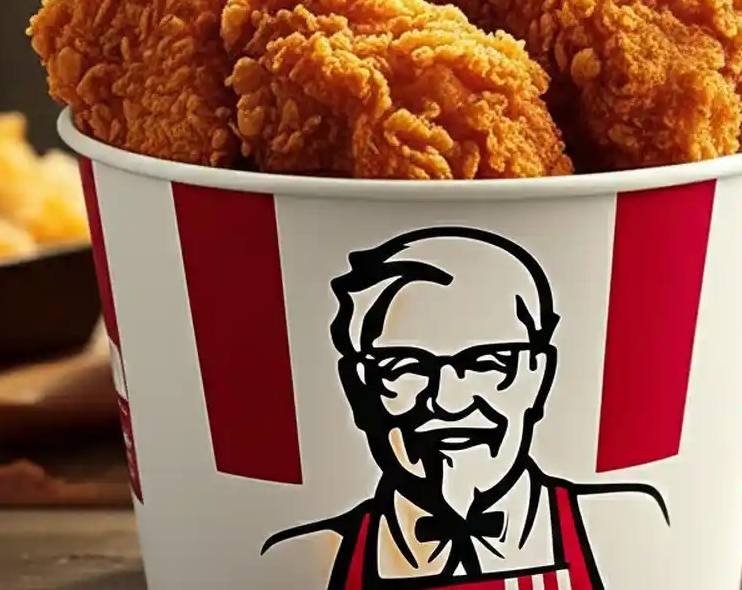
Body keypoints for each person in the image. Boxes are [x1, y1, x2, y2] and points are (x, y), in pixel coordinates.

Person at [265, 227, 669, 589]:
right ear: (357, 389)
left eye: (489, 363)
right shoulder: (307, 555)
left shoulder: (620, 524)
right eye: (405, 367)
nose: (449, 400)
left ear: (538, 377)